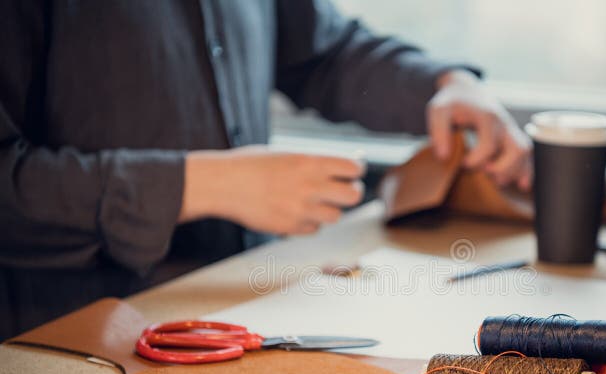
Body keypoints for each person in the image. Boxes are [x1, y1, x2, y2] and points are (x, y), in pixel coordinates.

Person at [0, 0, 531, 339]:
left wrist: (445, 84)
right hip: (69, 343)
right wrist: (200, 185)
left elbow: (323, 53)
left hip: (249, 309)